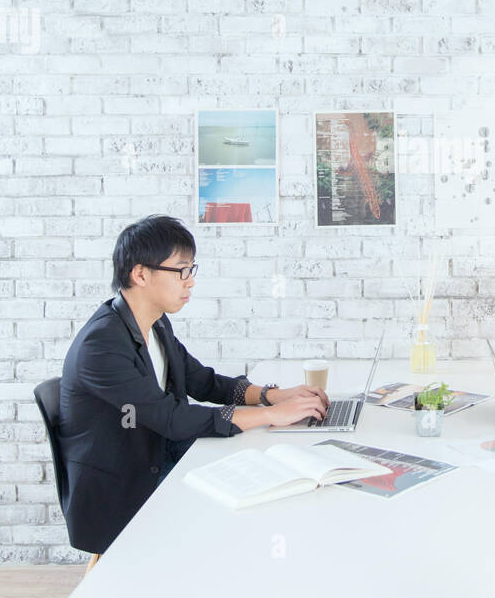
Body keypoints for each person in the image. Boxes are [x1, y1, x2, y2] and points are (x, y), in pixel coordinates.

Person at [58, 215, 329, 556]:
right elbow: (171, 418)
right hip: (124, 491)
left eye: (191, 270)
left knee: (270, 476)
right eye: (181, 271)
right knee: (250, 509)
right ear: (140, 274)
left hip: (158, 460)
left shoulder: (154, 324)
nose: (190, 282)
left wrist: (272, 395)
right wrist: (272, 415)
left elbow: (202, 381)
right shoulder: (101, 347)